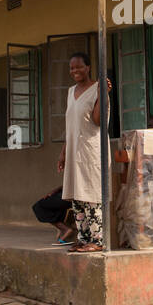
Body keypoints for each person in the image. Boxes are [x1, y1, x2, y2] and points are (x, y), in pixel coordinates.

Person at [57, 52, 110, 254]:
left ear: (88, 67)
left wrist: (103, 94)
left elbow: (97, 121)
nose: (75, 71)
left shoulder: (98, 88)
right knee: (77, 197)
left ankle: (98, 240)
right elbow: (70, 126)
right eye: (72, 68)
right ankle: (83, 238)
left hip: (90, 151)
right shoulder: (71, 92)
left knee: (91, 194)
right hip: (73, 152)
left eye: (79, 67)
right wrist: (63, 152)